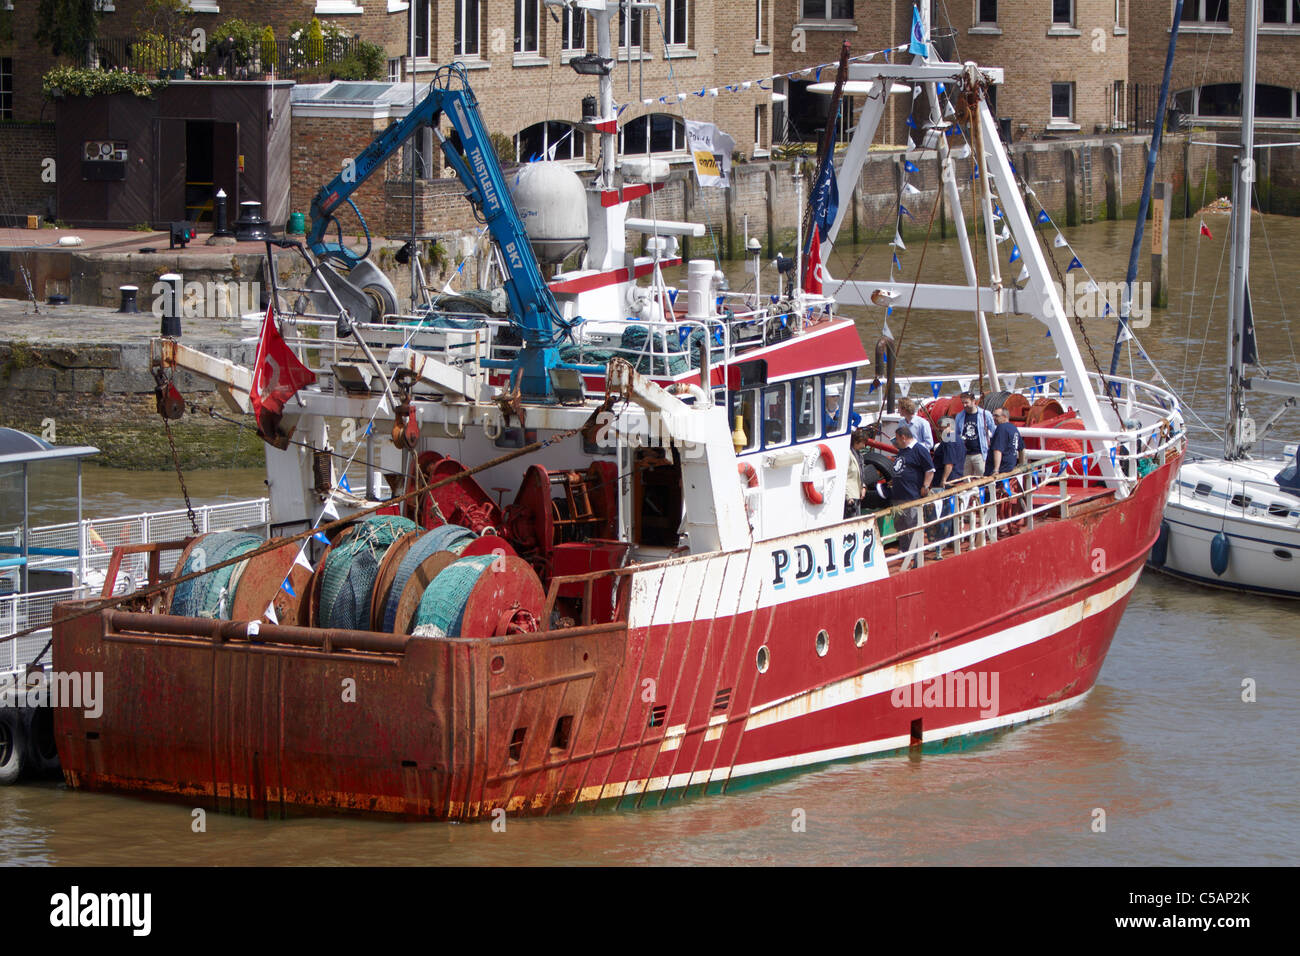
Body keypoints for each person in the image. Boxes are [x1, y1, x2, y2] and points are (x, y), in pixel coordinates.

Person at [888, 424, 934, 569]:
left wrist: (925, 486)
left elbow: (929, 469)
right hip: (898, 495)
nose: (896, 441)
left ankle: (914, 553)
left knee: (912, 524)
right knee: (900, 524)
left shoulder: (919, 450)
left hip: (911, 495)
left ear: (903, 437)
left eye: (897, 438)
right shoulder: (902, 451)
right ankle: (904, 549)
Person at [984, 407, 1025, 537]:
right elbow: (1022, 449)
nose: (994, 418)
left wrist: (995, 470)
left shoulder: (1001, 429)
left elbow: (997, 450)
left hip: (1000, 469)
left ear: (1004, 417)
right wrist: (1021, 465)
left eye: (996, 416)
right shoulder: (1014, 429)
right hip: (1010, 467)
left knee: (989, 498)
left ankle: (989, 527)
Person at [929, 417, 965, 554]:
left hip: (949, 479)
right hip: (957, 476)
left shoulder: (949, 439)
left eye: (942, 428)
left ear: (949, 426)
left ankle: (943, 540)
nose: (940, 431)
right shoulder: (958, 438)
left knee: (944, 511)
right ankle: (952, 537)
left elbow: (949, 462)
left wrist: (943, 480)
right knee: (951, 509)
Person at [955, 392, 995, 481]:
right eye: (963, 403)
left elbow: (994, 430)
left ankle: (982, 494)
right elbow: (957, 434)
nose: (964, 405)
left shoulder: (985, 414)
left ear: (973, 401)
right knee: (966, 481)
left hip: (980, 454)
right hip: (965, 455)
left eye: (966, 402)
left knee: (983, 479)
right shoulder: (959, 416)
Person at [844, 429, 869, 517]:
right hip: (850, 496)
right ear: (855, 441)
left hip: (857, 494)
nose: (864, 445)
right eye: (862, 443)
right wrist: (847, 497)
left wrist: (863, 487)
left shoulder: (859, 456)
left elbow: (860, 474)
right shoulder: (848, 455)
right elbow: (844, 477)